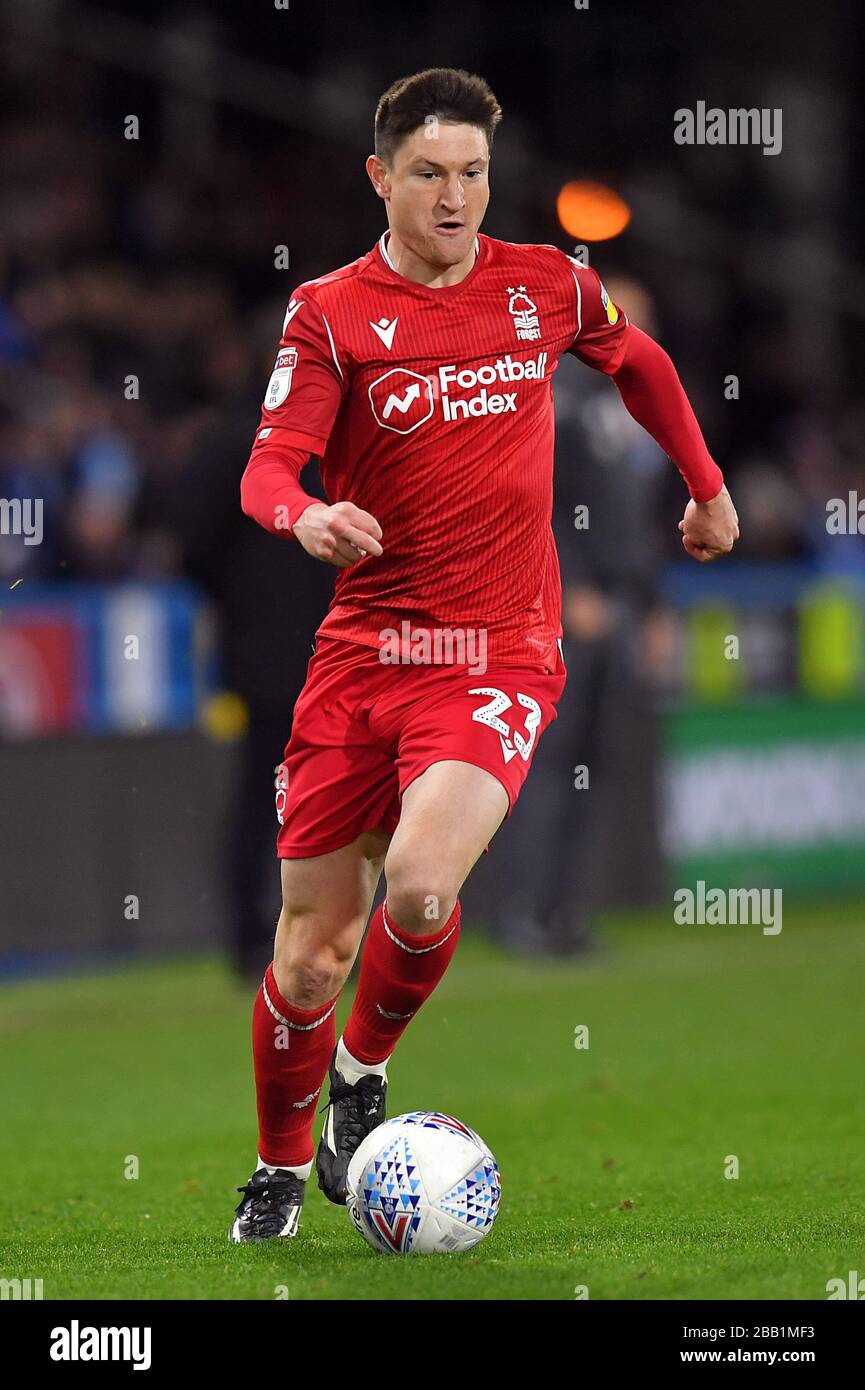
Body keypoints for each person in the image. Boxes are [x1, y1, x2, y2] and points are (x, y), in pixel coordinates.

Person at [231, 67, 739, 1242]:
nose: (454, 197)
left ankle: (358, 1078)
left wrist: (704, 487)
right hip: (363, 655)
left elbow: (643, 362)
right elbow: (269, 464)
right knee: (311, 955)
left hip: (496, 651)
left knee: (418, 882)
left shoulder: (545, 283)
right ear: (381, 178)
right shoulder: (329, 312)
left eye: (472, 173)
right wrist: (301, 516)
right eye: (428, 175)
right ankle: (274, 1159)